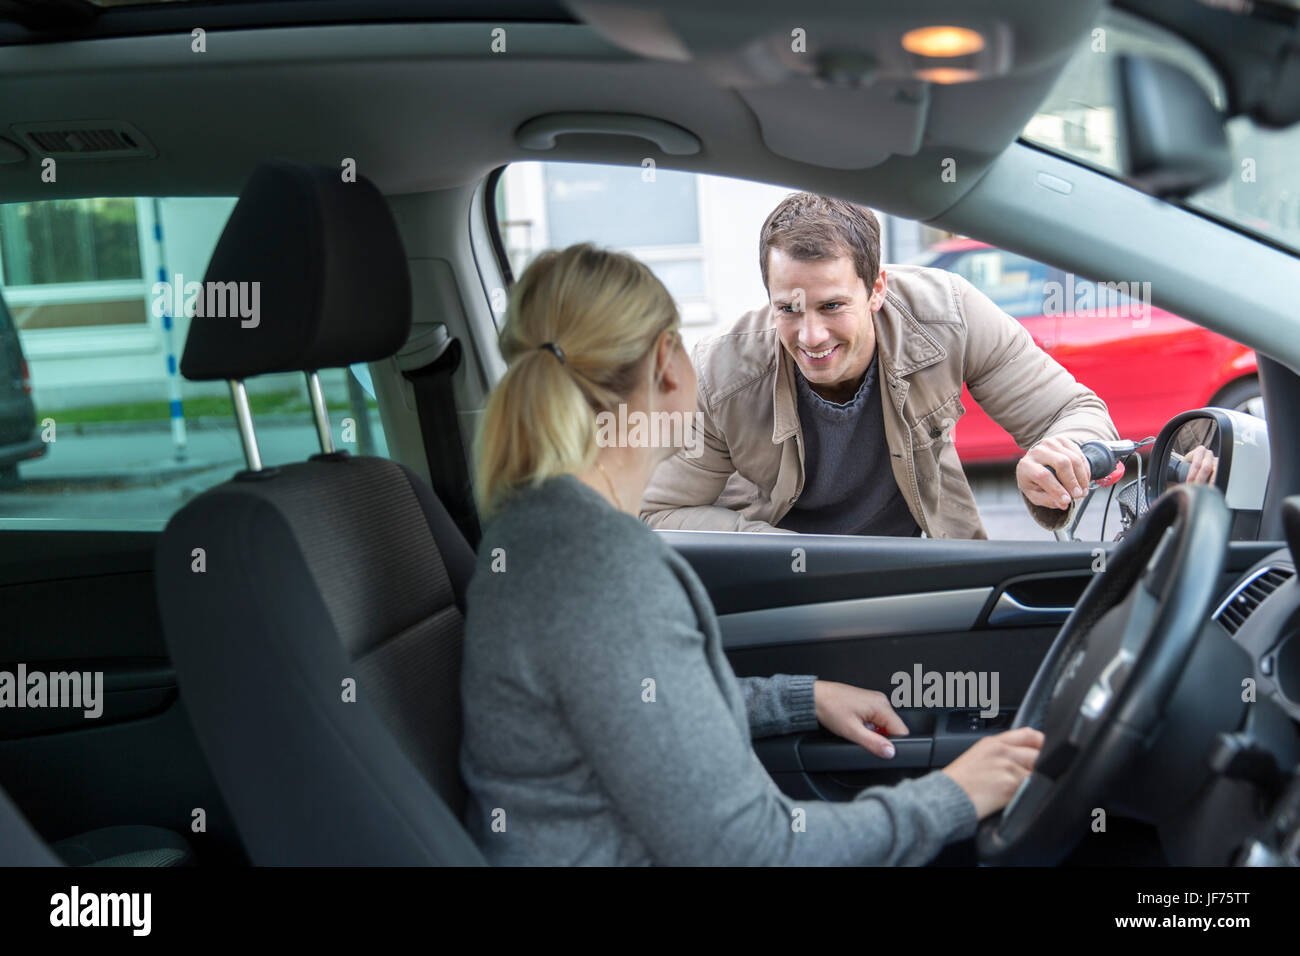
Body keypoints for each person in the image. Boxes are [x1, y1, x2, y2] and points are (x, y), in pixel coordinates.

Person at [460, 242, 1044, 865]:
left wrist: (800, 697)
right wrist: (954, 795)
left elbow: (636, 704)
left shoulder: (540, 531)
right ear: (667, 363)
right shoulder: (600, 570)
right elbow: (752, 850)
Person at [641, 193, 1120, 538]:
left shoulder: (949, 315)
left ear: (876, 289)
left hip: (923, 566)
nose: (810, 337)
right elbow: (660, 511)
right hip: (784, 593)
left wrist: (1059, 459)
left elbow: (1075, 411)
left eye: (831, 306)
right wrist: (785, 552)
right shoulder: (722, 372)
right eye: (788, 309)